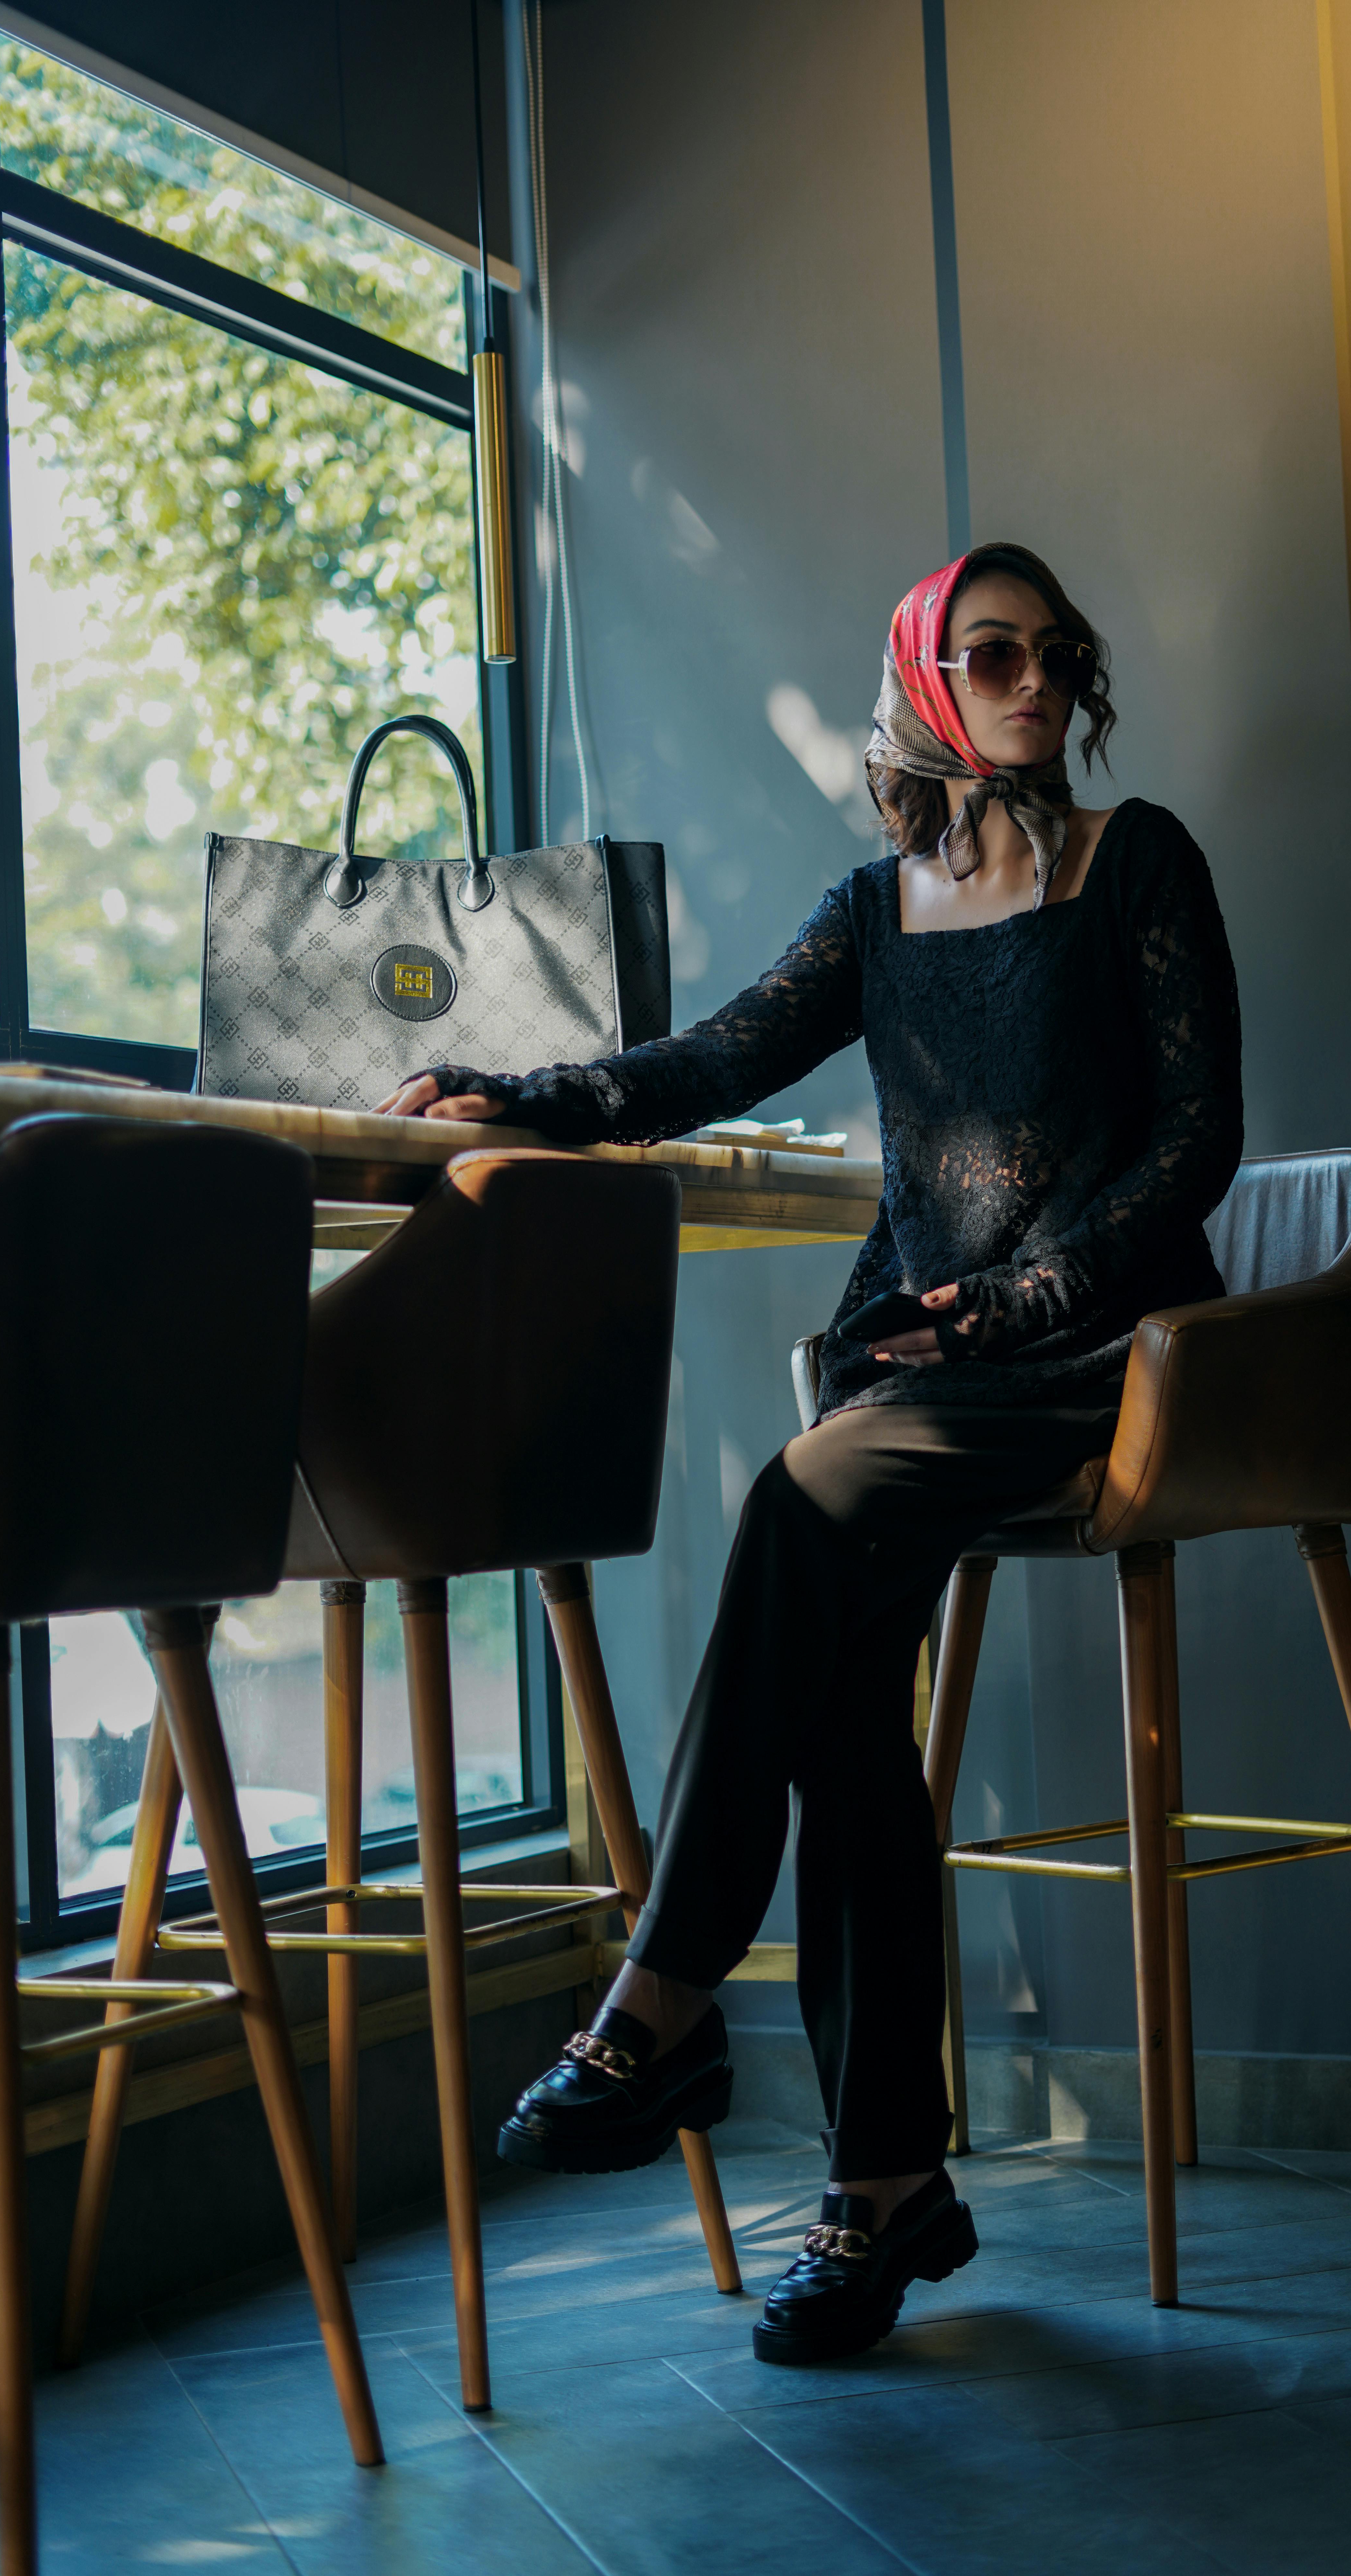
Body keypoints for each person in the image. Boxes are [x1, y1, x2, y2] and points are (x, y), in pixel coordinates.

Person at [377, 541, 1243, 2363]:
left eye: (1051, 652)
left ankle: (668, 1989)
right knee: (842, 1685)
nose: (1030, 678)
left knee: (796, 1497)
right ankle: (880, 2193)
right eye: (989, 651)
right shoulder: (875, 911)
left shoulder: (1135, 859)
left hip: (1102, 1354)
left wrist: (1030, 1301)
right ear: (926, 679)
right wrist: (515, 1093)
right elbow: (712, 1059)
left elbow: (1194, 1143)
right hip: (922, 1365)